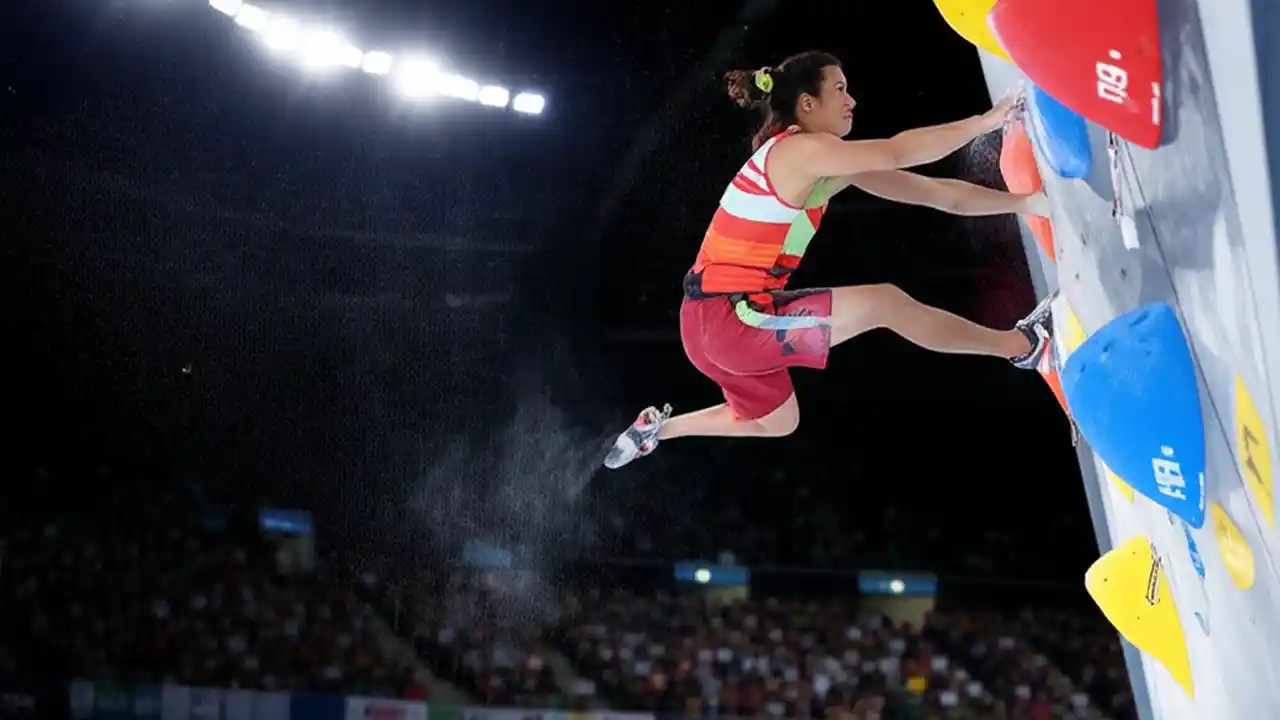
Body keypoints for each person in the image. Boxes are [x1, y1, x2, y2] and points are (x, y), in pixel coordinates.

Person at [604, 50, 1055, 470]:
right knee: (885, 304)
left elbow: (936, 195)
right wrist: (985, 121)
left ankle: (658, 430)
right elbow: (895, 150)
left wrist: (1027, 204)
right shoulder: (799, 151)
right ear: (807, 104)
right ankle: (1025, 346)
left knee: (779, 421)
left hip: (704, 322)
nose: (851, 101)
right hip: (731, 318)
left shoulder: (821, 163)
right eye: (839, 89)